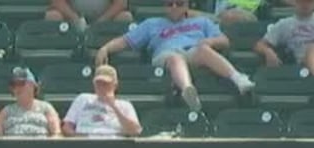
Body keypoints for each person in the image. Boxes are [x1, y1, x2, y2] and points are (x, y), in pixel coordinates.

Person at [94, 0, 254, 112]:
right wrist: (105, 48)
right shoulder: (152, 23)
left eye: (179, 3)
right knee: (175, 58)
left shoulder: (202, 22)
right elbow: (125, 41)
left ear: (187, 5)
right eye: (170, 4)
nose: (174, 7)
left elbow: (224, 41)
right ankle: (188, 91)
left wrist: (209, 42)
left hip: (193, 52)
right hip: (165, 55)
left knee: (203, 50)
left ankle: (238, 79)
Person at [61, 64, 140, 138]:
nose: (101, 87)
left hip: (113, 143)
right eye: (98, 83)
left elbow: (134, 131)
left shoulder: (125, 105)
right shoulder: (83, 99)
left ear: (114, 85)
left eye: (105, 84)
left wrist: (114, 106)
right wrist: (78, 138)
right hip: (84, 142)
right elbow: (67, 126)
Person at [0, 66, 60, 137]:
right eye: (14, 85)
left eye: (21, 83)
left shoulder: (46, 108)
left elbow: (56, 134)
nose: (17, 88)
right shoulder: (6, 111)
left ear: (33, 86)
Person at [46, 0, 132, 31]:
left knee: (125, 17)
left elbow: (121, 3)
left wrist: (102, 20)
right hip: (71, 19)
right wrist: (74, 18)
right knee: (53, 16)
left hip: (106, 18)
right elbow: (57, 2)